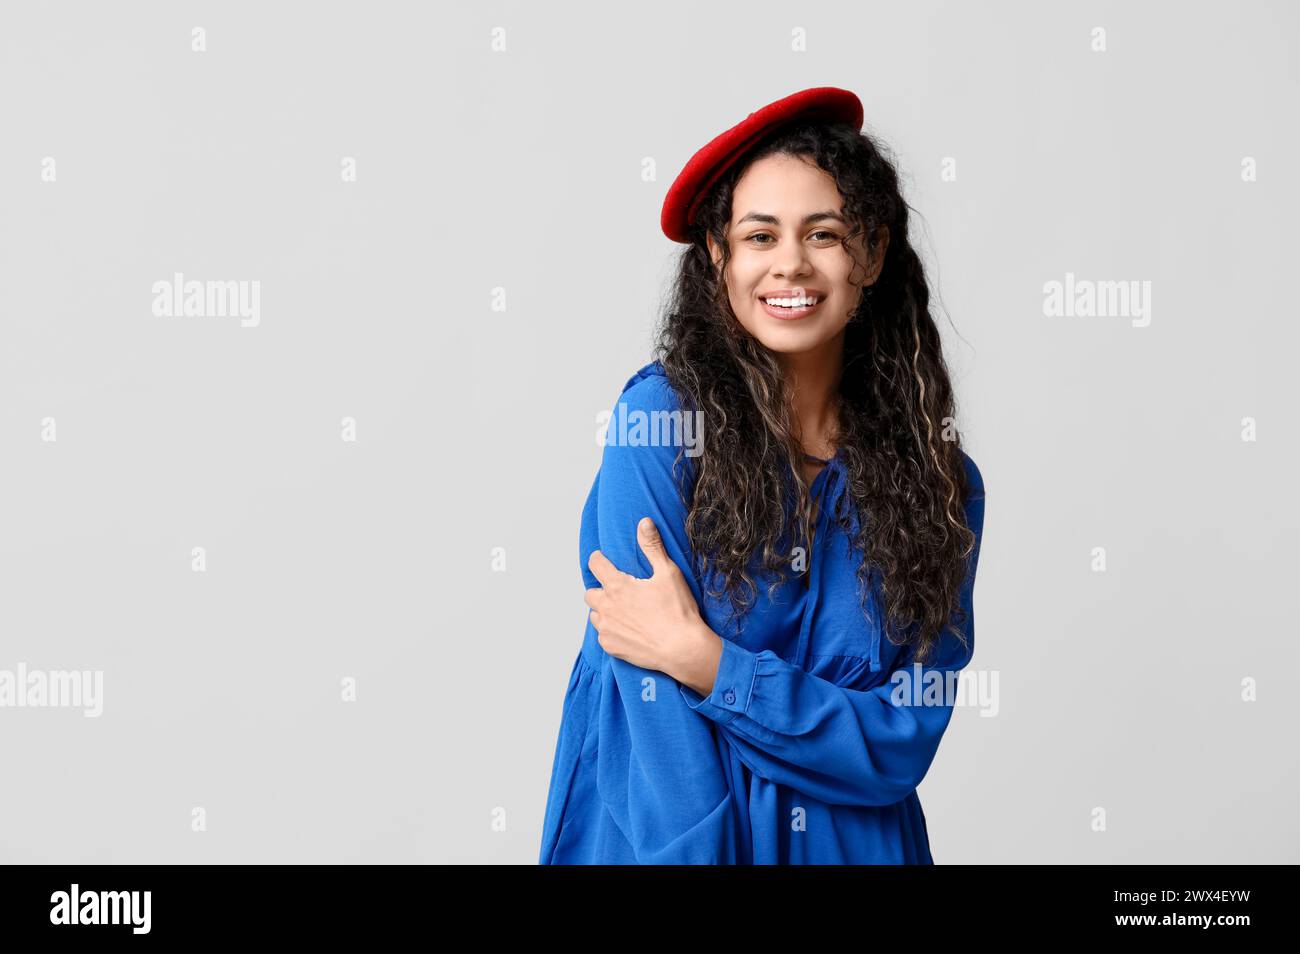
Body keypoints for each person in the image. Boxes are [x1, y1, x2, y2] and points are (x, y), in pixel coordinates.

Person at [538, 87, 986, 864]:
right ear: (719, 258)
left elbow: (900, 742)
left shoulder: (941, 483)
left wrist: (709, 664)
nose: (791, 265)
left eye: (824, 234)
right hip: (669, 842)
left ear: (872, 254)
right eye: (759, 235)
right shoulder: (659, 428)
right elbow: (649, 715)